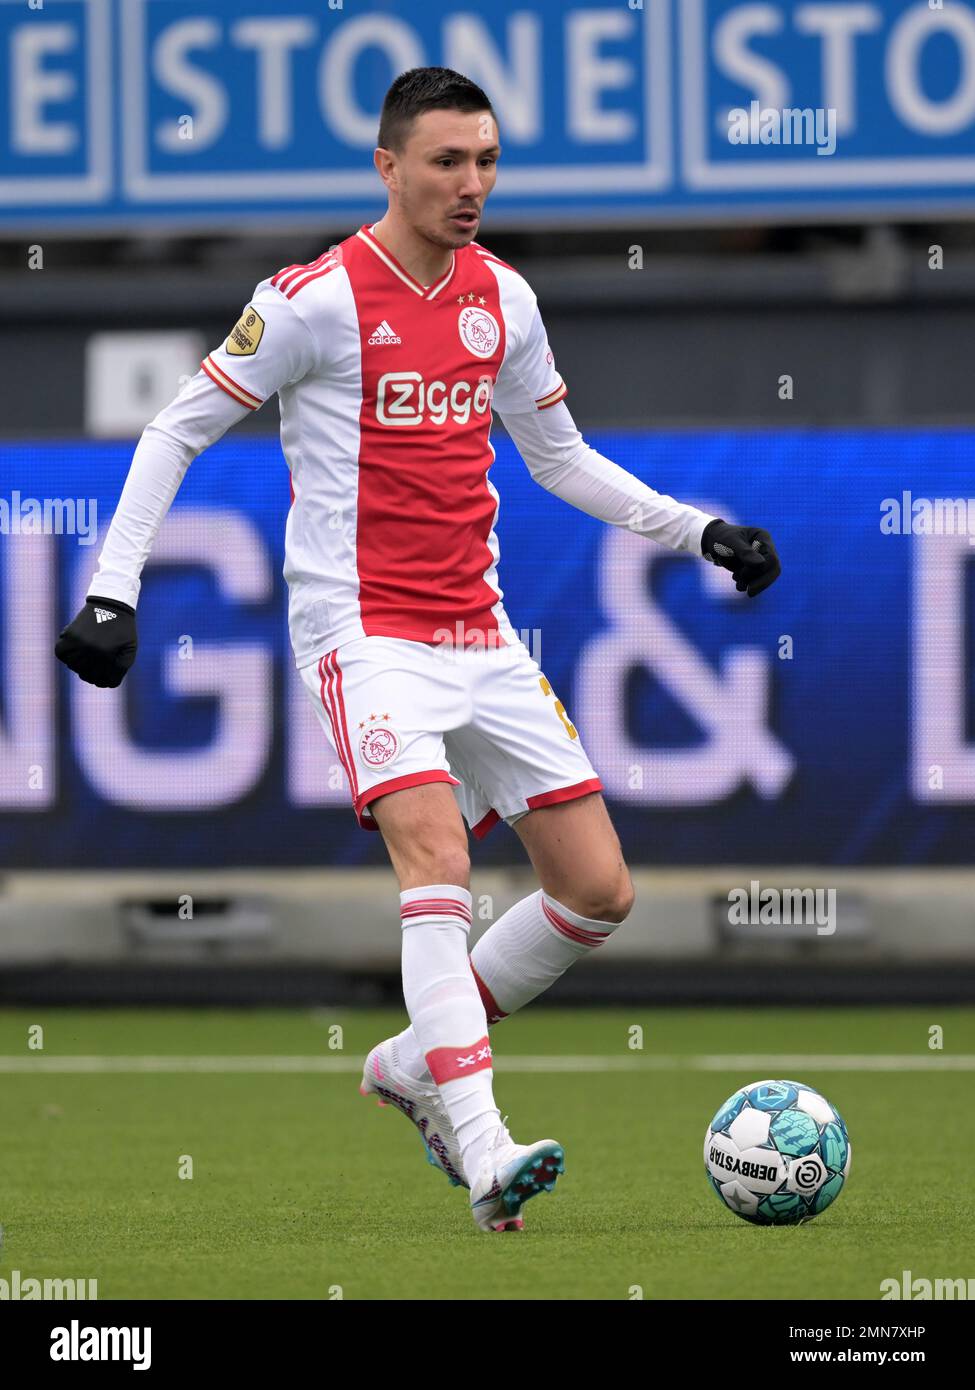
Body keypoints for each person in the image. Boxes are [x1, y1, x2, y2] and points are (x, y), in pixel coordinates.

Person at [56, 67, 780, 1233]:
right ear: (387, 167)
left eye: (486, 161)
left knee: (596, 892)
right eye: (447, 161)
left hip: (479, 631)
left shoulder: (505, 295)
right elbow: (176, 425)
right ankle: (485, 1144)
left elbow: (558, 457)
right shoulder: (313, 299)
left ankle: (409, 1062)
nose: (471, 184)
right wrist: (111, 589)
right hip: (361, 630)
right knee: (436, 856)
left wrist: (693, 527)